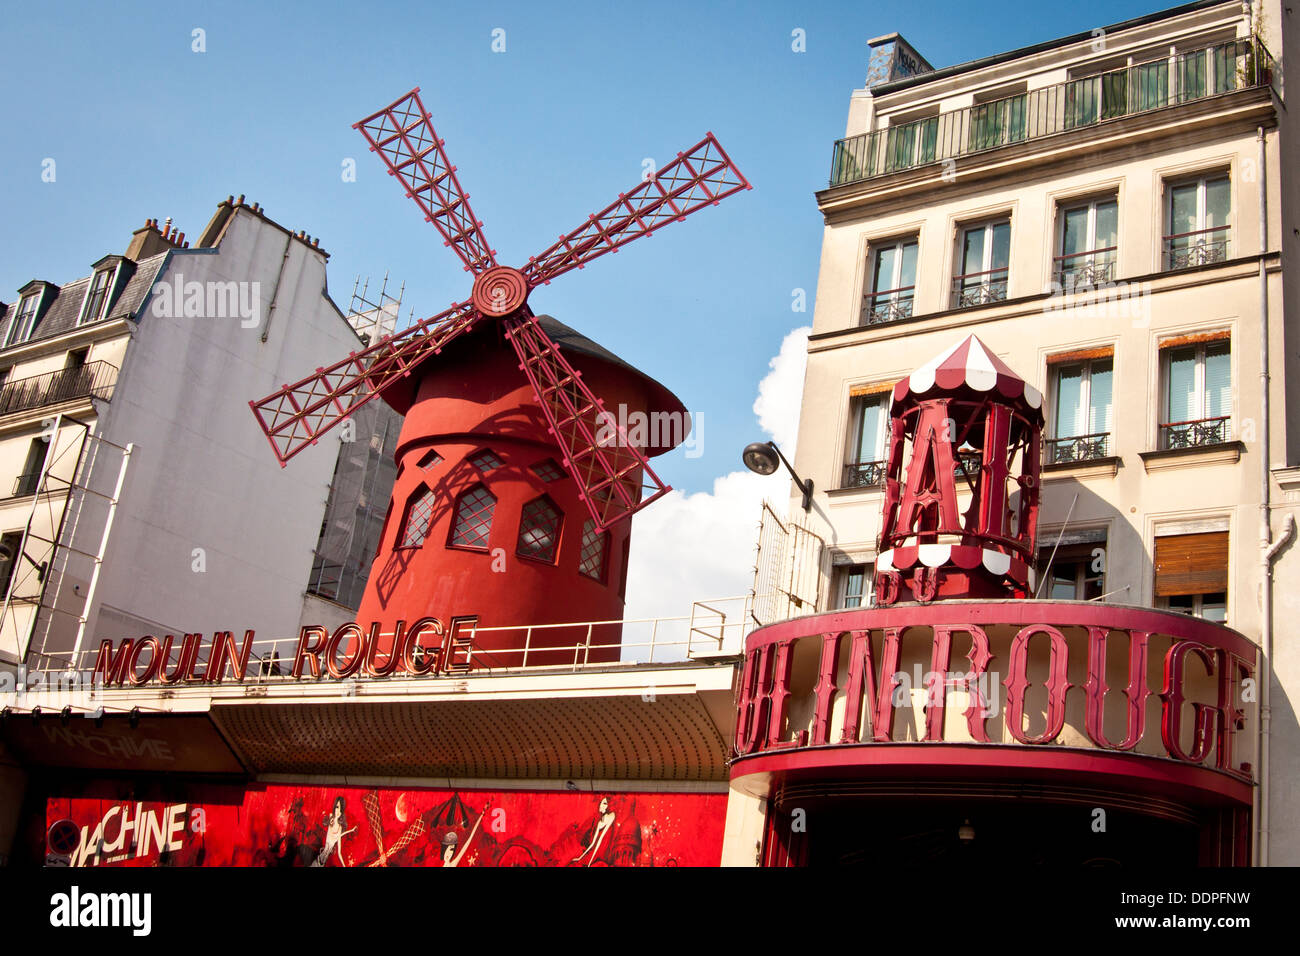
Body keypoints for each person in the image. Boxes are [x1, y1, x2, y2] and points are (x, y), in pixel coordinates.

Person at [312, 797, 356, 867]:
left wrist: (344, 866)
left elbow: (339, 853)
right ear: (334, 807)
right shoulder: (331, 820)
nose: (338, 811)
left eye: (340, 809)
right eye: (337, 807)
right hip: (318, 861)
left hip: (322, 863)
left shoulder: (339, 829)